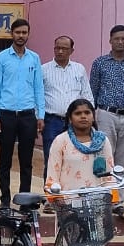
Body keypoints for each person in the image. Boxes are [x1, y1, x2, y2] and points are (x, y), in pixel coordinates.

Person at [0, 18, 45, 207]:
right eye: (17, 32)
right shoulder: (2, 58)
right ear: (11, 33)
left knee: (26, 160)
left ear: (28, 34)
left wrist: (41, 115)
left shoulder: (34, 58)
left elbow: (39, 88)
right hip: (6, 114)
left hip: (28, 115)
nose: (21, 36)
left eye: (24, 33)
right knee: (5, 159)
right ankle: (5, 200)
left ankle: (25, 200)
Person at [90, 25, 124, 198]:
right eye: (116, 38)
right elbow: (93, 90)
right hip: (107, 114)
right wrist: (92, 117)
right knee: (105, 157)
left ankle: (118, 201)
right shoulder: (100, 63)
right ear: (110, 40)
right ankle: (104, 198)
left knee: (123, 161)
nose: (120, 42)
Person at [41, 35, 93, 177]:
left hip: (75, 122)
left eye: (64, 48)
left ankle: (72, 193)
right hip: (51, 121)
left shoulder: (79, 69)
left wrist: (90, 118)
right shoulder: (43, 69)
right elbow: (37, 96)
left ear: (72, 50)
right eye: (57, 48)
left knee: (76, 157)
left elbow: (87, 94)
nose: (60, 51)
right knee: (52, 158)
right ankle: (51, 194)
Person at [45, 98, 115, 191]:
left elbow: (110, 175)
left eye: (87, 113)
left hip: (98, 199)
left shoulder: (102, 141)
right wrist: (55, 198)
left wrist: (112, 198)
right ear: (70, 119)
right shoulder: (61, 141)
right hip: (67, 199)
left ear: (93, 117)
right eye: (78, 113)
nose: (83, 116)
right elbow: (52, 174)